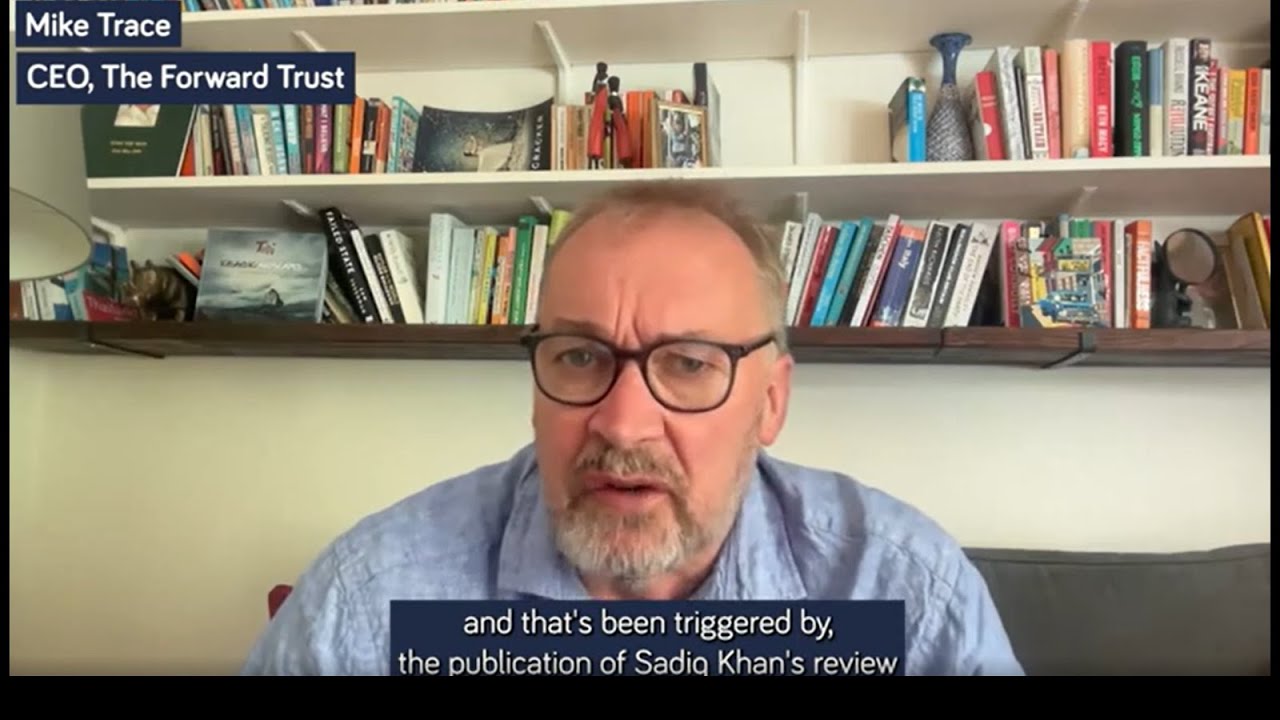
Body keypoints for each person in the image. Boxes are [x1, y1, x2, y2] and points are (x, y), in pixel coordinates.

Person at [241, 181, 1024, 676]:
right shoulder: (369, 605)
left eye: (688, 364)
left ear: (770, 402)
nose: (621, 423)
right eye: (580, 357)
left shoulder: (904, 596)